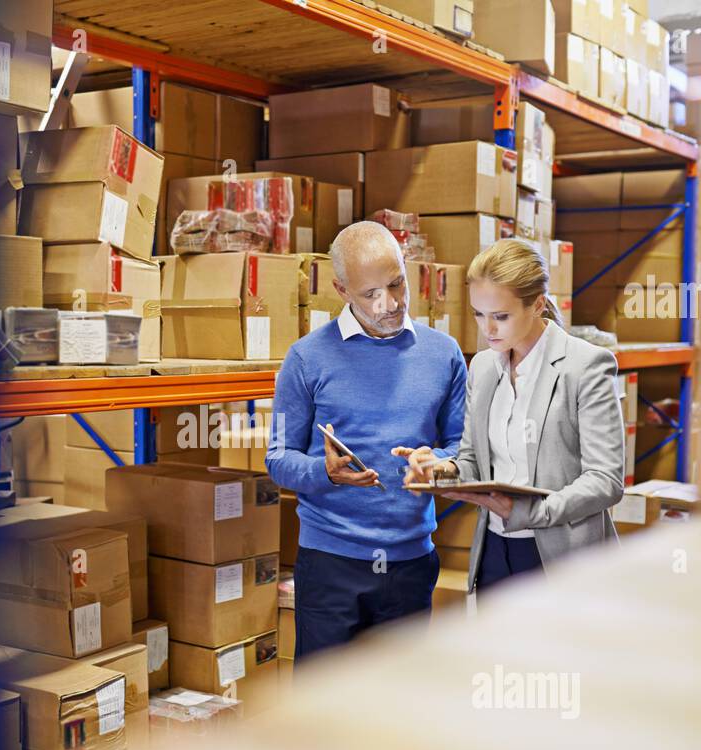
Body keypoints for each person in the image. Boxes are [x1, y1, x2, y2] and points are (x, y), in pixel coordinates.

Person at [267, 221, 466, 658]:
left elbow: (461, 449)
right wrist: (326, 473)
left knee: (396, 711)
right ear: (341, 290)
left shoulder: (444, 354)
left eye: (396, 284)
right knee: (324, 711)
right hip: (330, 565)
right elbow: (278, 457)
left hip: (411, 563)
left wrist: (440, 466)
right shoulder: (305, 358)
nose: (389, 303)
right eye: (370, 294)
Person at [397, 238, 624, 594]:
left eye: (501, 317)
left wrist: (532, 514)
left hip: (562, 558)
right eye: (478, 314)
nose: (487, 329)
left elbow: (605, 480)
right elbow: (473, 460)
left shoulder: (585, 366)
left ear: (536, 304)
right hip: (494, 551)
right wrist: (442, 470)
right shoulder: (484, 367)